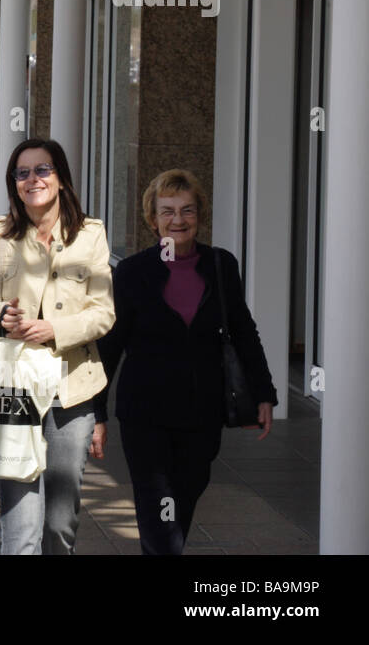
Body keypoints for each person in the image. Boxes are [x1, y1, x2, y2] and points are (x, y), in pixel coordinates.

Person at [96, 169, 277, 555]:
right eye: (168, 211)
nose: (178, 220)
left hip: (202, 413)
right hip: (146, 414)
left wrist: (264, 393)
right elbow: (111, 345)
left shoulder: (221, 265)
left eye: (187, 210)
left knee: (184, 497)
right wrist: (95, 411)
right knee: (158, 505)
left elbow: (243, 332)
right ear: (152, 218)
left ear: (200, 214)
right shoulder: (132, 272)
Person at [0, 138, 114, 555]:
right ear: (14, 184)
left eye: (42, 170)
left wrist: (55, 329)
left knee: (60, 523)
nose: (33, 179)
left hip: (74, 390)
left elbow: (104, 313)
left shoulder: (91, 235)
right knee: (20, 522)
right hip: (12, 388)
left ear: (61, 178)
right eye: (22, 173)